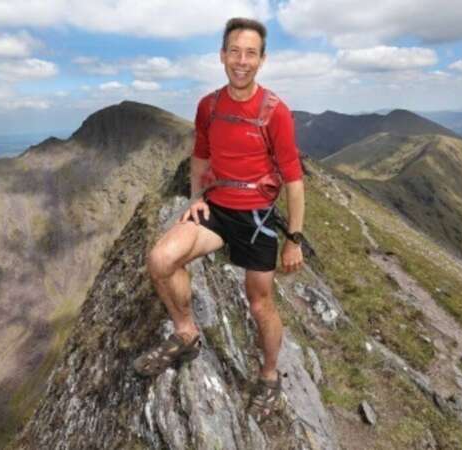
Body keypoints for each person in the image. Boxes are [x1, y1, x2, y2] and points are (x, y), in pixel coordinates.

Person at [133, 17, 305, 422]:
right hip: (216, 209)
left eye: (250, 53)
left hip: (258, 218)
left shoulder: (276, 112)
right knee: (161, 260)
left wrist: (294, 240)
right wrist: (195, 197)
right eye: (234, 51)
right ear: (222, 56)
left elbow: (295, 182)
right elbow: (201, 156)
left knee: (260, 303)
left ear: (262, 60)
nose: (241, 61)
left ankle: (268, 375)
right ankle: (186, 333)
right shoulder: (208, 106)